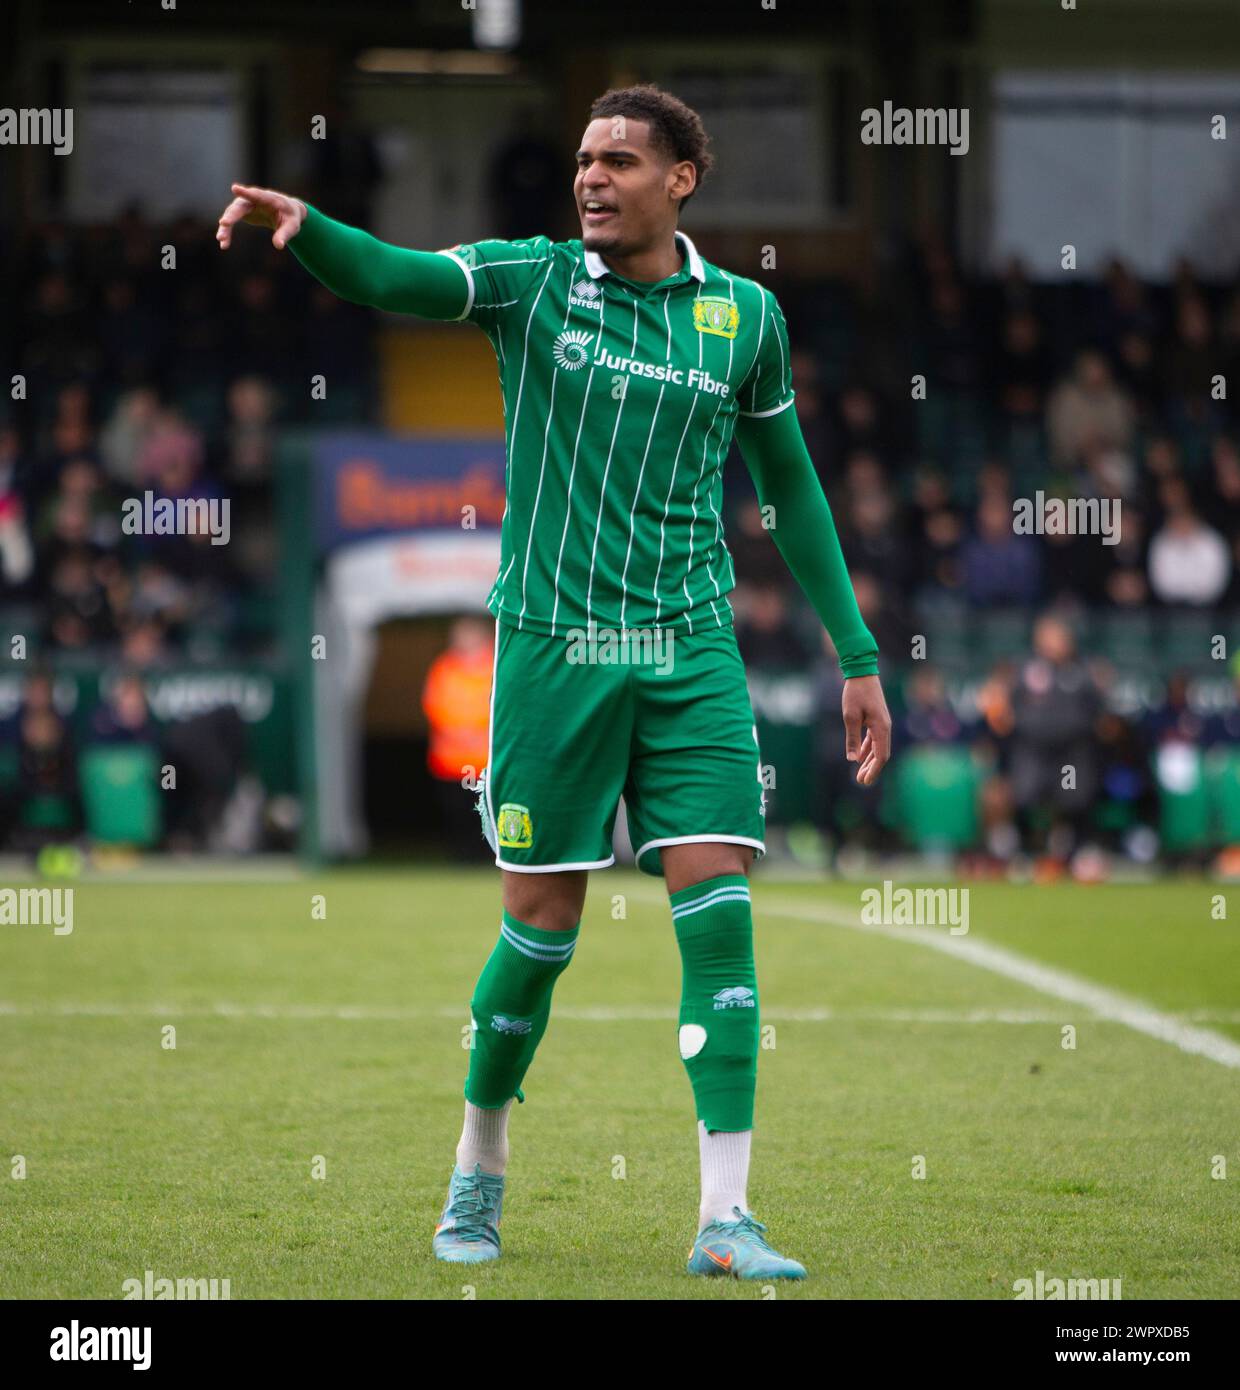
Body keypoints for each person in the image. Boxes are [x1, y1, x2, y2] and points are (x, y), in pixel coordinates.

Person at [216, 82, 892, 1281]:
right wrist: (310, 230)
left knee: (719, 915)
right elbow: (397, 278)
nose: (590, 177)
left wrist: (857, 656)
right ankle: (478, 1167)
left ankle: (725, 1215)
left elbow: (789, 488)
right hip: (550, 650)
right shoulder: (530, 283)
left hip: (688, 648)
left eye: (618, 160)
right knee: (539, 927)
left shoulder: (745, 318)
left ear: (681, 178)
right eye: (584, 158)